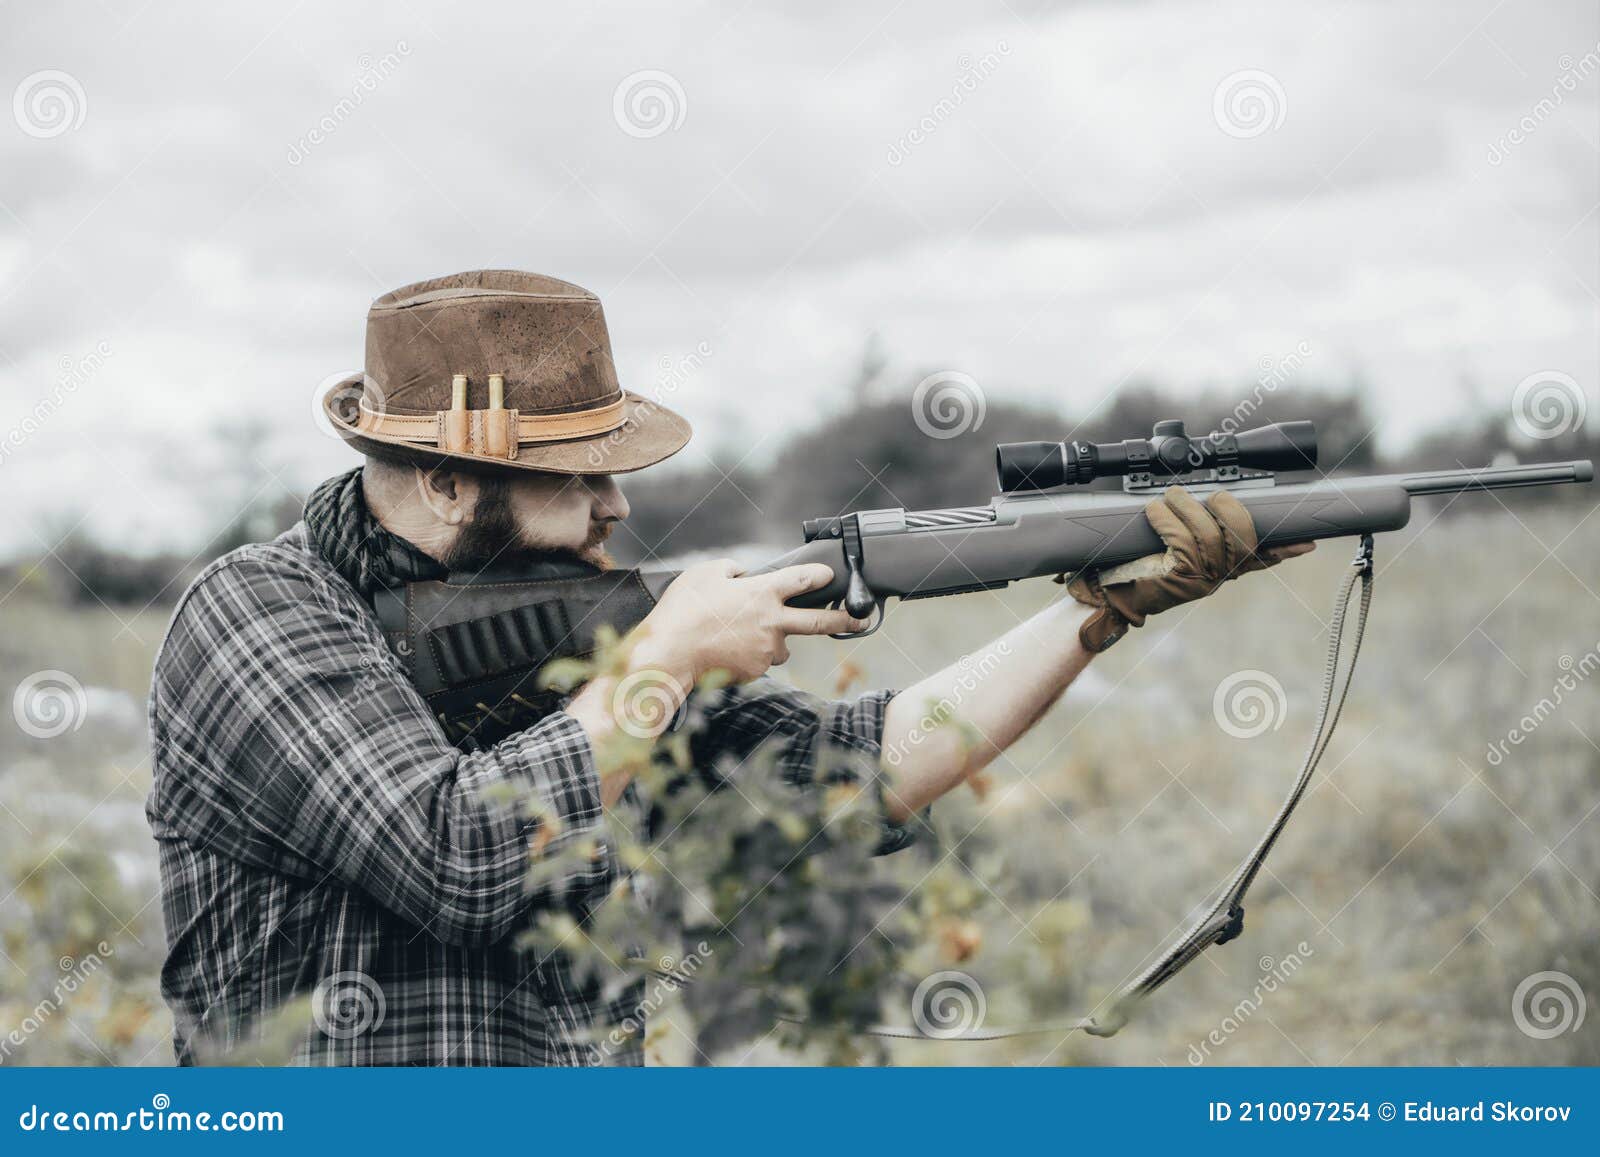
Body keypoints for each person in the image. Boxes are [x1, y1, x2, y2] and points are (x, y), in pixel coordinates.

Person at [145, 270, 1311, 1065]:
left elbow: (859, 773)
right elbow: (453, 854)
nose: (615, 502)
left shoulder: (592, 656)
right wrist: (661, 664)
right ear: (447, 480)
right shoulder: (258, 611)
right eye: (576, 476)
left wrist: (1094, 611)